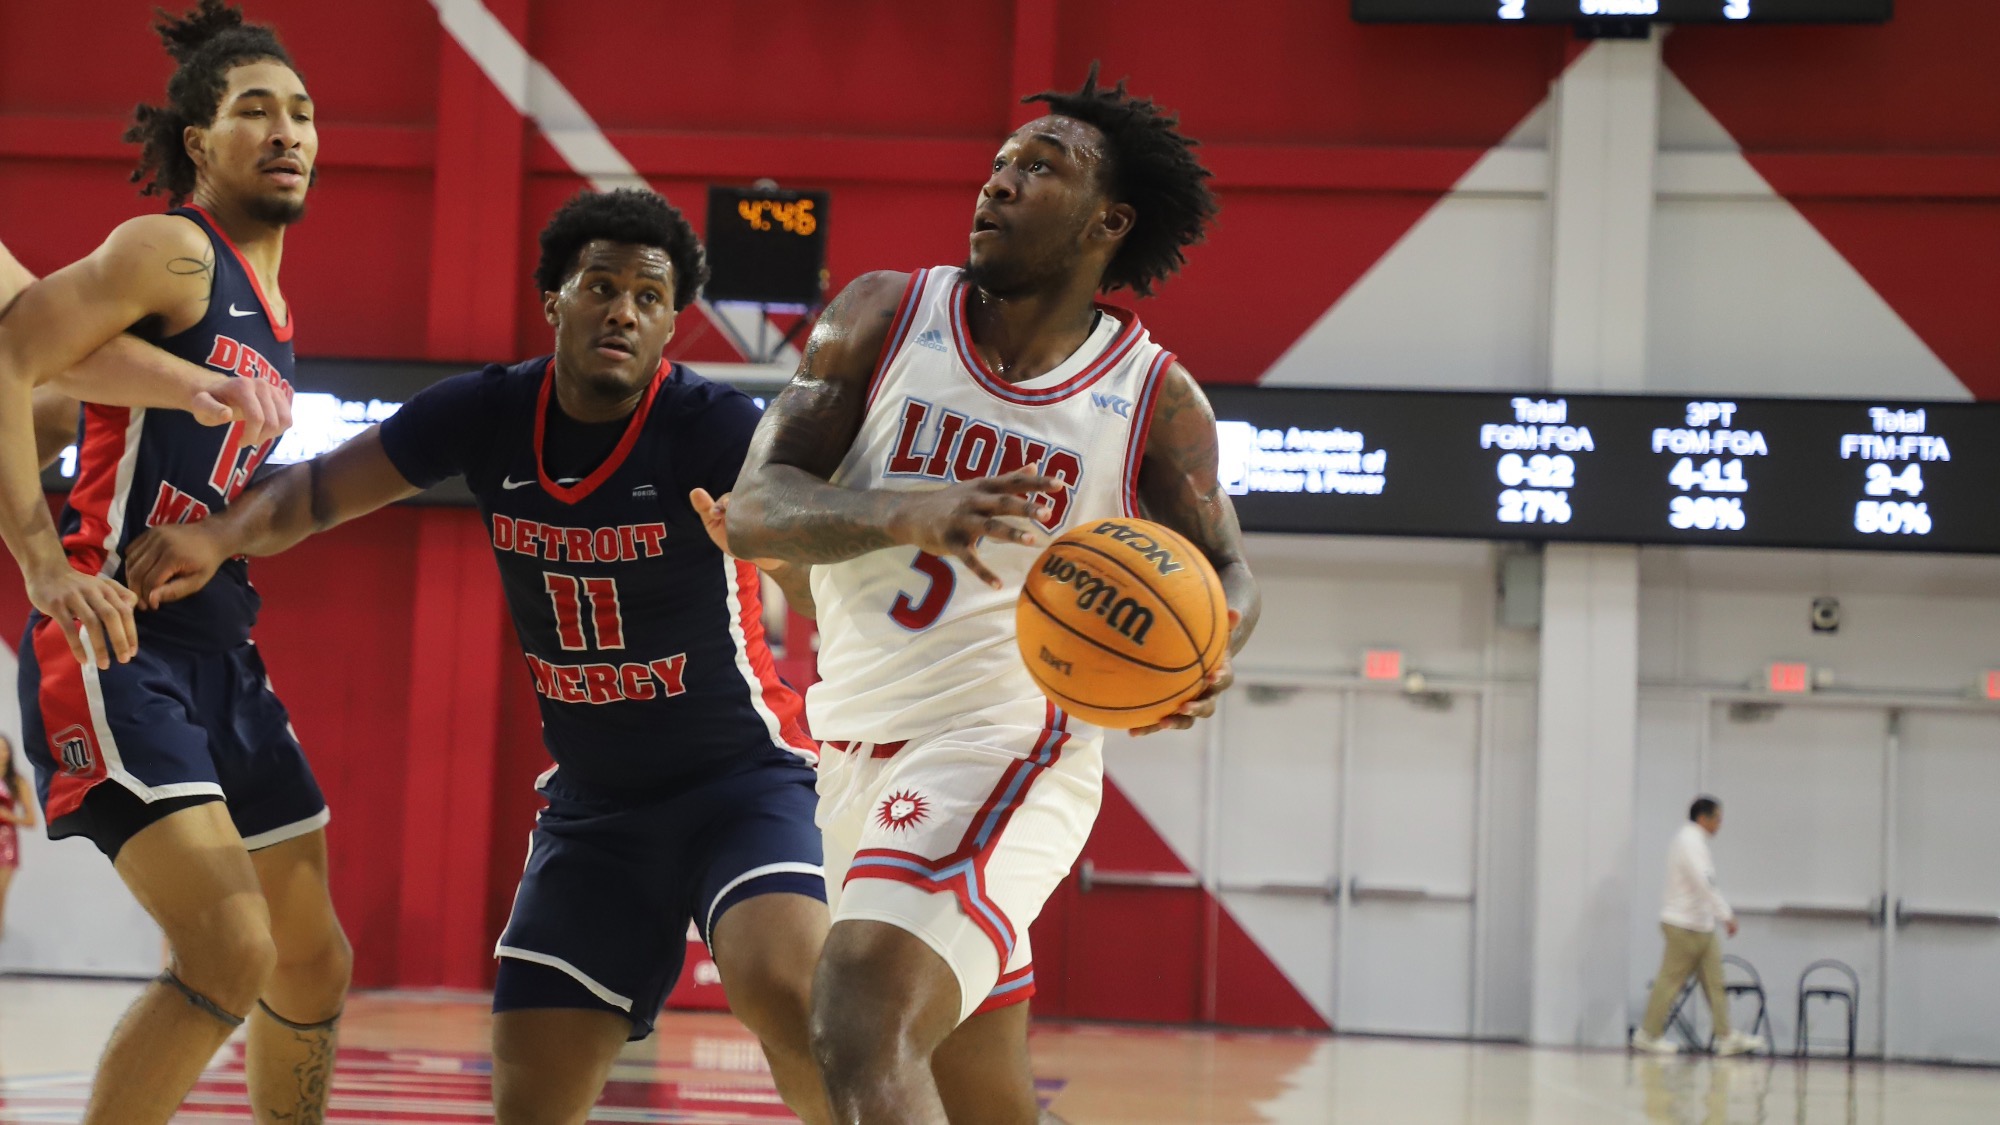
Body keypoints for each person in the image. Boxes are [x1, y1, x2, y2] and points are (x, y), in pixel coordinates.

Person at [124, 187, 835, 1125]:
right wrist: (219, 535)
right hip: (596, 805)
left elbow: (813, 558)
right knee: (530, 1094)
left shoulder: (712, 428)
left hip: (740, 783)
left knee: (785, 985)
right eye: (602, 285)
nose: (623, 309)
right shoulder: (489, 411)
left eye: (650, 297)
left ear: (670, 323)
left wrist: (801, 568)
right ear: (556, 300)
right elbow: (317, 494)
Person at [727, 67, 1261, 1124]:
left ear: (1108, 221)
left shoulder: (1152, 398)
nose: (1000, 184)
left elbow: (1227, 574)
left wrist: (1208, 654)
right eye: (1001, 165)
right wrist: (900, 511)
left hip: (1010, 742)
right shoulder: (881, 313)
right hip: (855, 746)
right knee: (982, 1098)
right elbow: (754, 508)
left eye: (1040, 169)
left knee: (859, 1013)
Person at [0, 4, 348, 1122]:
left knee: (313, 961)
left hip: (218, 647)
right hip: (112, 642)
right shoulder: (175, 248)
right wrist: (46, 565)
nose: (287, 130)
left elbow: (67, 387)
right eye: (254, 110)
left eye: (300, 111)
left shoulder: (272, 305)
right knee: (228, 946)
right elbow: (11, 355)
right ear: (198, 142)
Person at [1634, 796, 1765, 1056]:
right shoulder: (1689, 842)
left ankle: (1724, 1036)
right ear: (1703, 818)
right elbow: (1705, 883)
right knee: (1670, 981)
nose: (1720, 824)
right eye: (1717, 818)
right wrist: (1726, 915)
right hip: (1683, 925)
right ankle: (1647, 1034)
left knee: (1715, 984)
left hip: (1702, 926)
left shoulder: (1695, 841)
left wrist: (1714, 917)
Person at [0, 734, 36, 938]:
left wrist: (8, 816)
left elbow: (31, 820)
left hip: (5, 843)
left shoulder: (17, 782)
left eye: (4, 748)